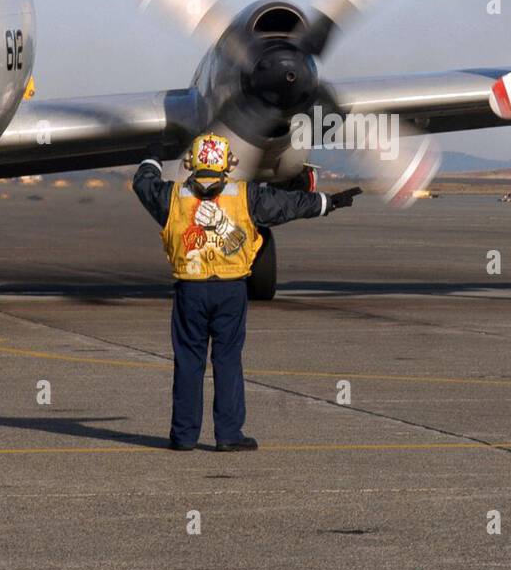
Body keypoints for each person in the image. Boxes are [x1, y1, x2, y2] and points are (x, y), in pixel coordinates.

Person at [133, 133, 359, 452]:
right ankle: (228, 435)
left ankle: (183, 436)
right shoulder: (245, 196)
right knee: (227, 360)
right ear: (228, 164)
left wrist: (152, 157)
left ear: (191, 164)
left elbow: (144, 184)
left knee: (188, 362)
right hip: (230, 290)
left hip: (190, 290)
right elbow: (288, 205)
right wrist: (329, 202)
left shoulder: (171, 197)